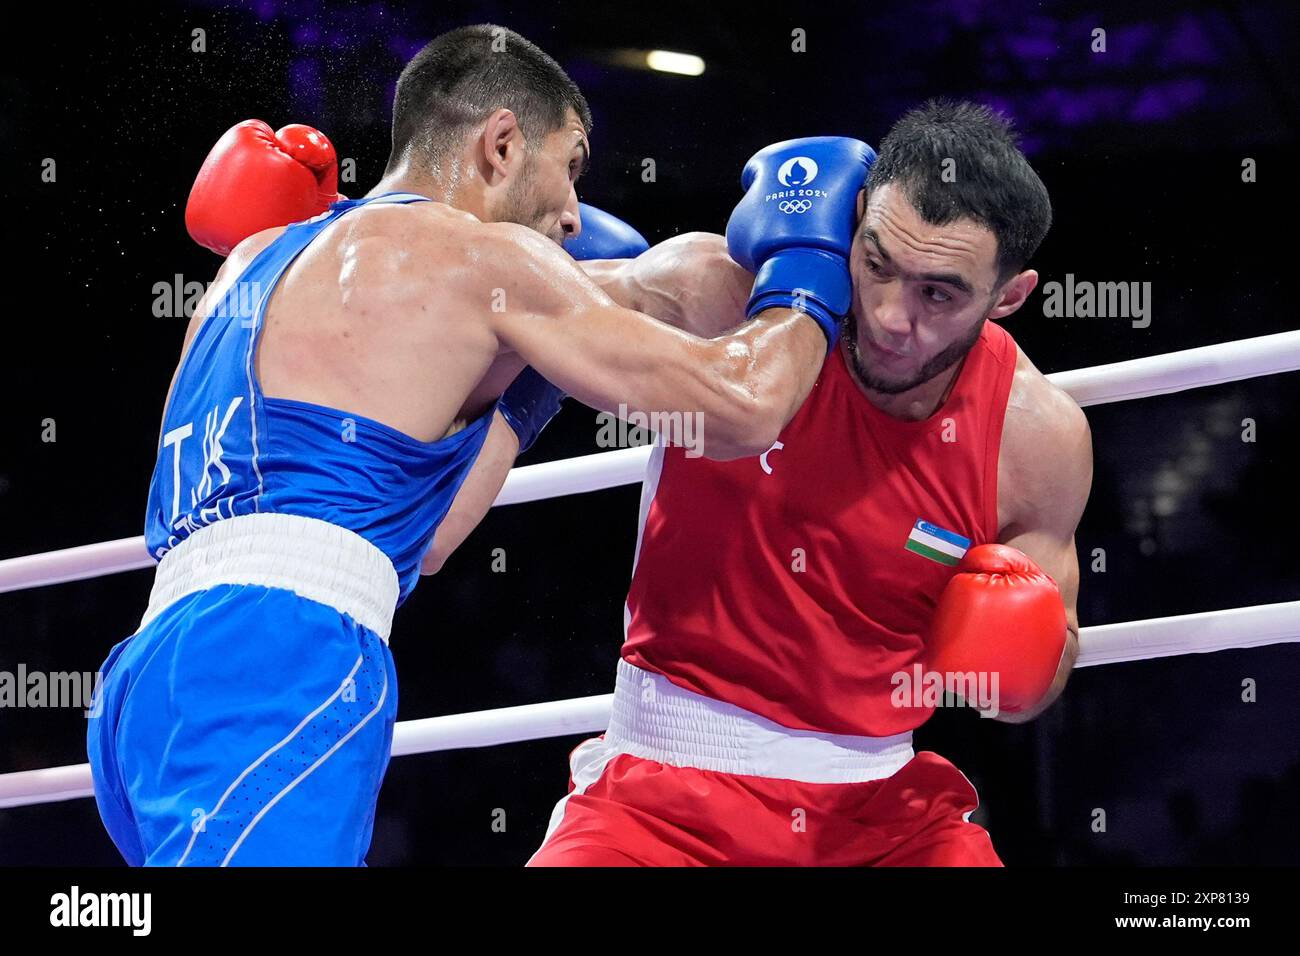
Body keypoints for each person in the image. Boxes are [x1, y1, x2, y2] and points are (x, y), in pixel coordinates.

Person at [85, 24, 864, 865]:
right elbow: (742, 408)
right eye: (569, 165)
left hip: (148, 678)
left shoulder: (255, 258)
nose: (572, 212)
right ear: (500, 144)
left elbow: (418, 545)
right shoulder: (483, 259)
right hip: (278, 663)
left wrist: (533, 381)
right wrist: (807, 269)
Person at [528, 100, 1093, 866]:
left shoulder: (1033, 438)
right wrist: (328, 234)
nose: (893, 316)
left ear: (1010, 296)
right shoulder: (728, 300)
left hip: (883, 817)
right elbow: (509, 296)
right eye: (878, 263)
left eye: (939, 293)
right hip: (659, 798)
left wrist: (1021, 668)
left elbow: (1044, 663)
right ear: (854, 218)